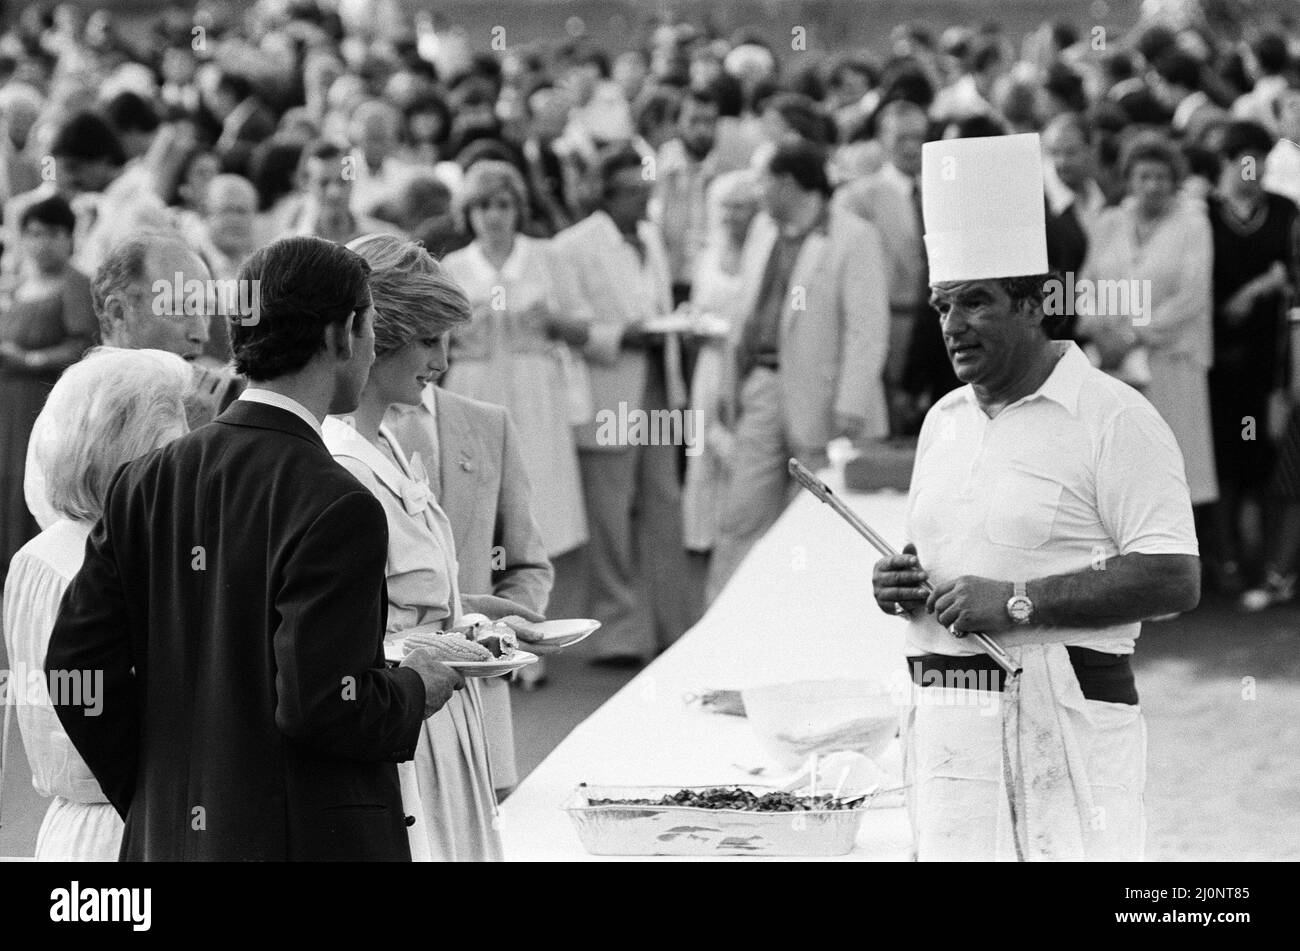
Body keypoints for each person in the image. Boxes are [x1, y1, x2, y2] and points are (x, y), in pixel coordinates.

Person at [45, 236, 463, 861]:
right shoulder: (337, 501)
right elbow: (323, 704)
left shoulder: (147, 479)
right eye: (371, 327)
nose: (373, 346)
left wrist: (158, 788)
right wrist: (415, 688)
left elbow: (76, 670)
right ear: (341, 335)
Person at [873, 132, 1201, 861]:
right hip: (947, 731)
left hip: (1065, 729)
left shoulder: (1115, 418)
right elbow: (947, 552)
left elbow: (1175, 576)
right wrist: (901, 578)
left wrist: (1018, 599)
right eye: (940, 306)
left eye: (975, 303)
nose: (952, 327)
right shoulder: (944, 420)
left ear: (1036, 304)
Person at [323, 234, 504, 860]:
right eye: (429, 339)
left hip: (442, 719)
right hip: (405, 727)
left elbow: (422, 604)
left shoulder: (390, 446)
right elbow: (351, 639)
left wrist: (480, 626)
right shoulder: (339, 463)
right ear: (381, 335)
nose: (443, 359)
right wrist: (455, 644)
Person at [4, 347, 191, 860]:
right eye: (168, 454)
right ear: (126, 454)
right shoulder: (105, 569)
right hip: (127, 828)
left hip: (79, 826)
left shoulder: (37, 556)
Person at [707, 140, 890, 598]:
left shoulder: (854, 236)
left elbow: (866, 330)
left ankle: (807, 615)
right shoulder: (763, 233)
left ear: (789, 183)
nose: (756, 192)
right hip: (762, 388)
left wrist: (850, 406)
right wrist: (730, 387)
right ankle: (726, 621)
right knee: (741, 513)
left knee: (816, 517)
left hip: (825, 401)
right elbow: (744, 317)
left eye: (762, 179)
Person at [551, 146, 698, 665]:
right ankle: (616, 632)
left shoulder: (651, 238)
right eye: (635, 191)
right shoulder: (572, 247)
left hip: (658, 384)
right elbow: (565, 325)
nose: (646, 199)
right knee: (611, 517)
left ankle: (671, 625)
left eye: (646, 189)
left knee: (664, 503)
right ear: (606, 193)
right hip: (609, 393)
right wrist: (621, 336)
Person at [23, 232, 240, 531]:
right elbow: (129, 544)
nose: (201, 333)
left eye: (205, 311)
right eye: (181, 309)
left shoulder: (201, 402)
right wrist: (194, 441)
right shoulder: (75, 413)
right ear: (118, 312)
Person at [440, 161, 589, 561]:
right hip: (474, 387)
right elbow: (435, 341)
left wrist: (551, 320)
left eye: (503, 204)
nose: (493, 216)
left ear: (518, 208)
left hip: (535, 386)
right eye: (482, 206)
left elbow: (583, 328)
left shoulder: (546, 256)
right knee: (480, 491)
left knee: (540, 490)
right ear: (468, 212)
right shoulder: (452, 267)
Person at [1079, 134, 1219, 511]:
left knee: (1173, 469)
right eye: (1143, 177)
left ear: (1174, 179)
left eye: (1161, 177)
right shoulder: (1109, 221)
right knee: (1118, 469)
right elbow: (1085, 284)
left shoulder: (1194, 224)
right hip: (1112, 362)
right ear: (1129, 179)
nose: (1152, 186)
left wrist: (1134, 334)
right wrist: (1098, 328)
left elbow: (1191, 296)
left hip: (1171, 360)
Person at [1205, 122, 1300, 605]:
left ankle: (1266, 563)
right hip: (1217, 363)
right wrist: (1259, 285)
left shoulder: (1284, 213)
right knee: (1224, 463)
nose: (1253, 169)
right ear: (1223, 164)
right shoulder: (1204, 214)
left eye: (1259, 159)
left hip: (1270, 364)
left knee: (1266, 461)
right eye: (1243, 159)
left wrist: (1270, 287)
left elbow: (1293, 279)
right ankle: (1224, 559)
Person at [0, 195, 96, 581]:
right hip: (8, 405)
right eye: (34, 233)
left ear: (69, 238)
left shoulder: (75, 284)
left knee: (34, 486)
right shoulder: (15, 283)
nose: (42, 242)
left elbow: (81, 345)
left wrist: (29, 360)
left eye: (53, 233)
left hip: (45, 405)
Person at [834, 99, 932, 433]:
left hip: (937, 324)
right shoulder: (859, 197)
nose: (911, 147)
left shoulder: (940, 189)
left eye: (919, 137)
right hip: (891, 320)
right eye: (901, 137)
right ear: (880, 141)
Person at [682, 171, 762, 554]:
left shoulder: (765, 253)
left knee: (740, 440)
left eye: (742, 208)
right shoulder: (707, 255)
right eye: (727, 208)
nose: (733, 216)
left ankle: (745, 532)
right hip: (711, 363)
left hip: (745, 361)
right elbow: (697, 310)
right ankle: (706, 536)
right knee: (705, 441)